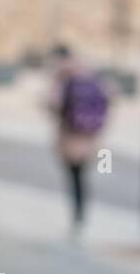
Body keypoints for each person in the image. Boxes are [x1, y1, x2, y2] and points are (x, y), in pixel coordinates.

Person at [47, 45, 110, 237]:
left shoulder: (64, 78)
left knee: (74, 177)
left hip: (70, 138)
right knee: (81, 176)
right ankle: (81, 214)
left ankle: (77, 216)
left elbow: (52, 105)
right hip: (89, 138)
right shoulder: (91, 75)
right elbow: (109, 99)